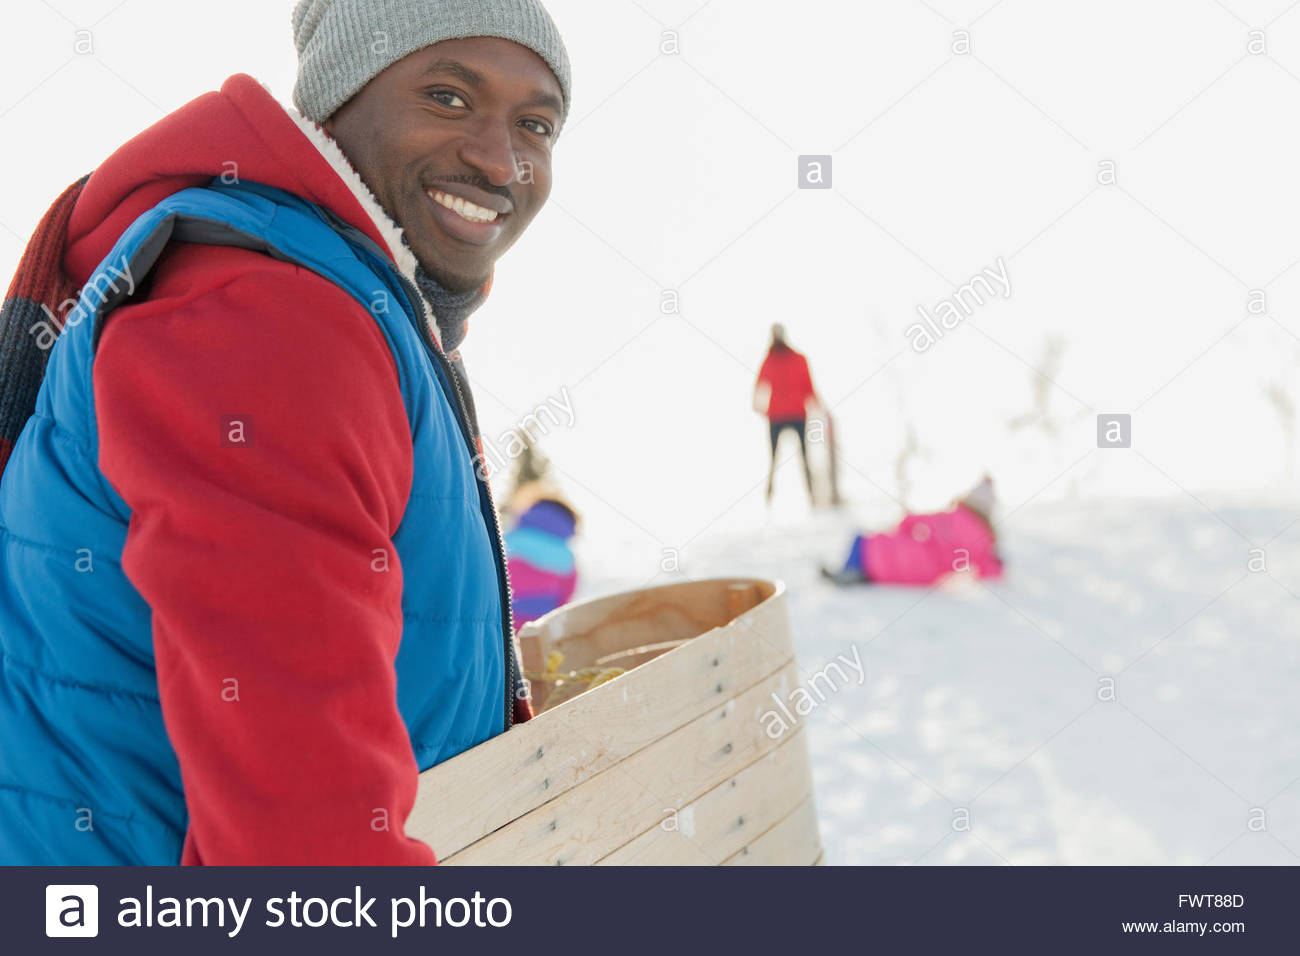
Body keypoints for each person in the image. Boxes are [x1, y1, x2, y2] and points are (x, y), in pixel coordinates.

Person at [0, 0, 572, 865]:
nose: (501, 158)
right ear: (335, 107)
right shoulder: (269, 318)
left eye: (536, 122)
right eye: (448, 97)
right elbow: (302, 853)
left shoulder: (334, 297)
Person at [822, 476, 1004, 586]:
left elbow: (911, 520)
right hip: (926, 576)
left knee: (863, 540)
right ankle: (861, 575)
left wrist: (901, 532)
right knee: (885, 558)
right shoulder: (984, 539)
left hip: (904, 555)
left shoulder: (951, 515)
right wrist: (998, 564)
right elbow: (987, 568)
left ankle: (849, 572)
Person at [501, 433, 579, 628]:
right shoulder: (567, 559)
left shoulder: (510, 539)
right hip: (540, 631)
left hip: (504, 627)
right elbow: (562, 604)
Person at [753, 323, 819, 506]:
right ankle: (771, 497)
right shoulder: (779, 360)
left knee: (793, 457)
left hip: (787, 414)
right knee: (779, 458)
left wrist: (758, 407)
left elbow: (808, 387)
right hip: (785, 414)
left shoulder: (793, 359)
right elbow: (809, 389)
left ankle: (810, 495)